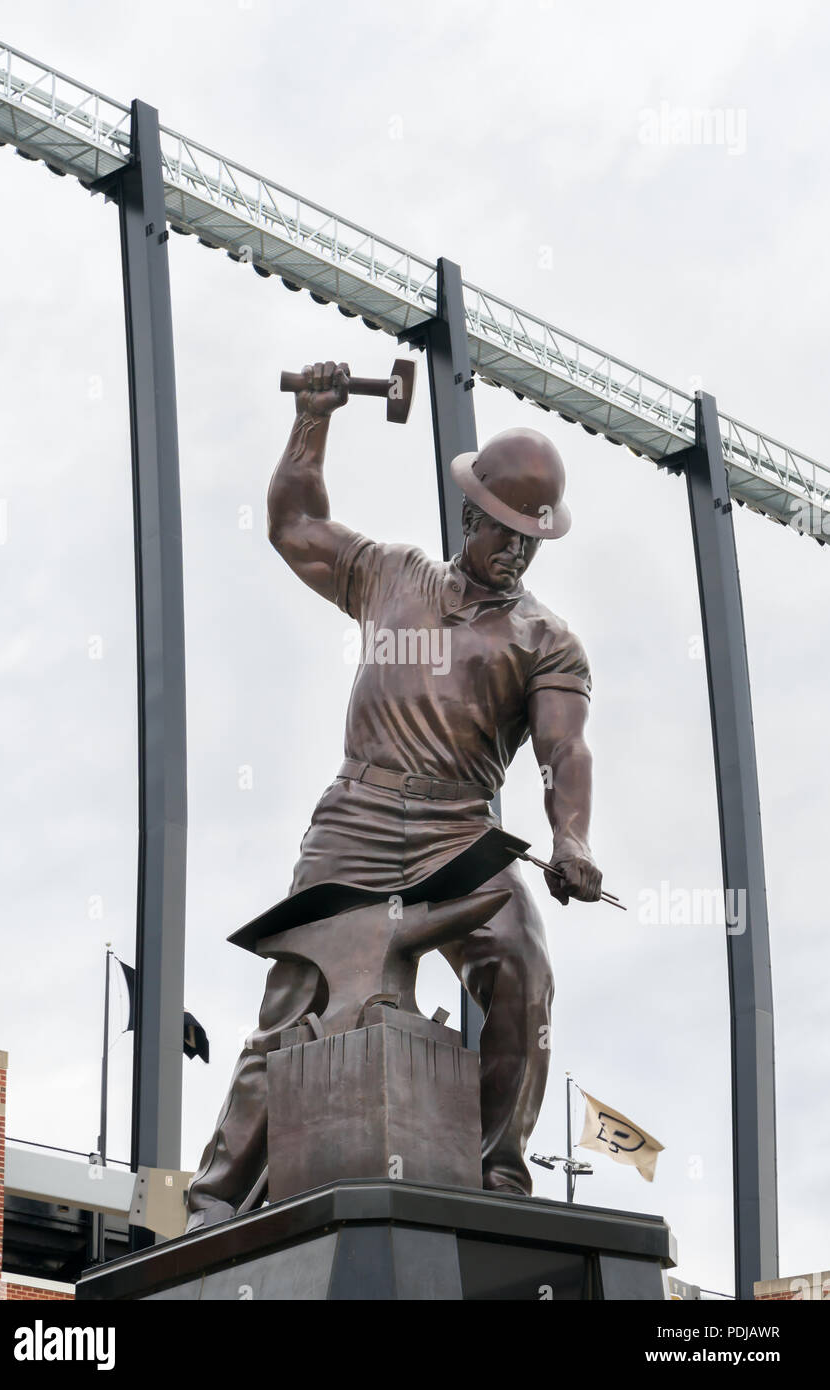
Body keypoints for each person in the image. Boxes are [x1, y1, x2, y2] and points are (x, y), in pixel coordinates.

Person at [186, 360, 603, 1227]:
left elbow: (565, 749)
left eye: (531, 538)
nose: (516, 549)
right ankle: (216, 1199)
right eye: (503, 530)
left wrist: (572, 840)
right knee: (299, 994)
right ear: (469, 512)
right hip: (358, 816)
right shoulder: (391, 575)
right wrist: (312, 419)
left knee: (521, 966)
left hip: (460, 835)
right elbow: (294, 522)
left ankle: (498, 1175)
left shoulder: (546, 639)